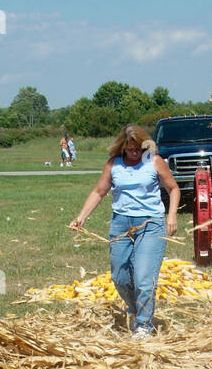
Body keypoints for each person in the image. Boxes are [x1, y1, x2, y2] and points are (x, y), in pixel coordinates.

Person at [69, 124, 180, 337]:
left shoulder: (154, 162)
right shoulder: (114, 164)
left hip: (150, 224)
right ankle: (136, 308)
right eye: (130, 149)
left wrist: (171, 215)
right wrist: (81, 217)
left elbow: (173, 188)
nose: (134, 153)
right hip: (121, 224)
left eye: (138, 148)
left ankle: (144, 326)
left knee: (144, 278)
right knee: (120, 277)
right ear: (123, 147)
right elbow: (99, 191)